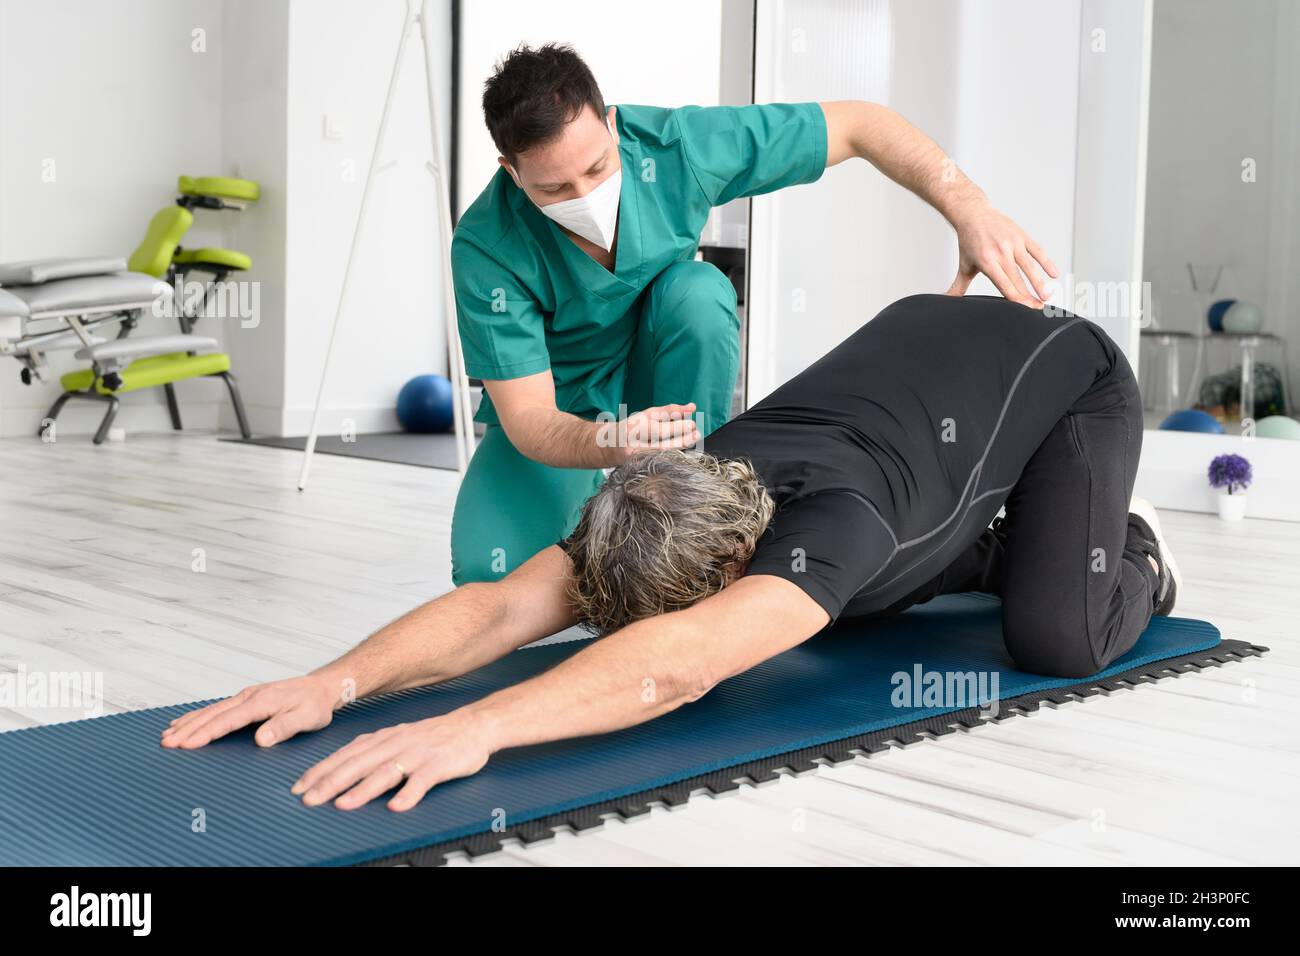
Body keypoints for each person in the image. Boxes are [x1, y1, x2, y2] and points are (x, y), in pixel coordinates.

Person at [163, 293, 1180, 814]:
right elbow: (498, 608)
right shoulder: (658, 495)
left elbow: (677, 663)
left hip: (1062, 370)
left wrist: (472, 728)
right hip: (917, 353)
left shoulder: (837, 520)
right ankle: (1003, 549)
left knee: (1056, 634)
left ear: (742, 557)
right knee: (849, 599)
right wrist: (335, 679)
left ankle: (1125, 553)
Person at [449, 43, 1059, 584]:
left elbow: (860, 125)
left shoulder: (676, 149)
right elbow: (529, 418)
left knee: (698, 292)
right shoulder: (486, 245)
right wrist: (610, 443)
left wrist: (971, 211)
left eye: (596, 169)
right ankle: (603, 493)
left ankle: (692, 499)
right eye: (554, 190)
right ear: (512, 172)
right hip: (565, 413)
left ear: (612, 126)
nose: (583, 196)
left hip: (658, 377)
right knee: (487, 570)